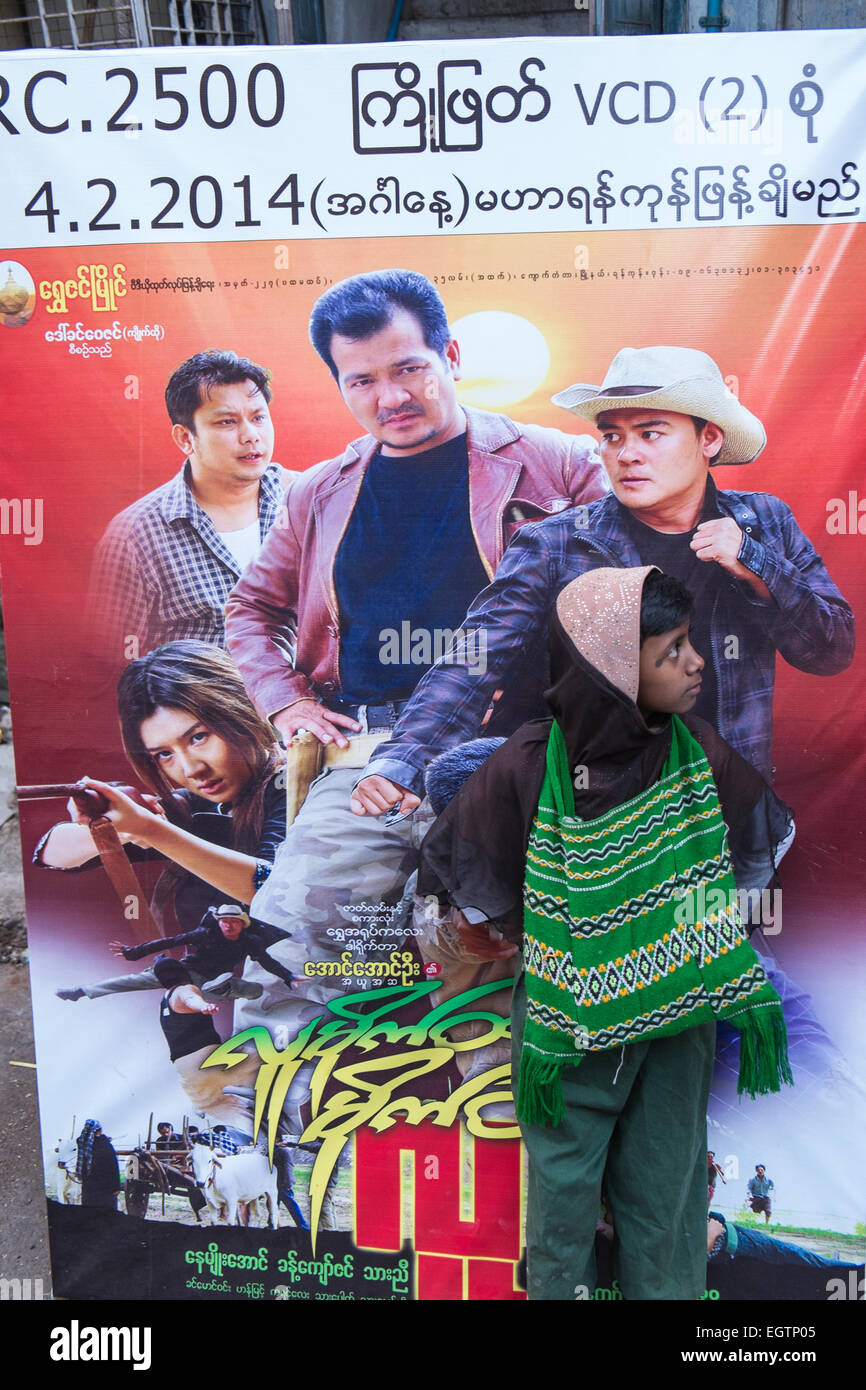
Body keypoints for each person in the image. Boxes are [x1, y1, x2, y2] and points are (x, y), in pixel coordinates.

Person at [223, 268, 602, 1033]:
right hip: (370, 756)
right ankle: (280, 1147)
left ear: (451, 355)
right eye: (360, 380)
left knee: (492, 994)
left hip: (518, 752)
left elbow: (636, 606)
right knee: (287, 962)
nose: (389, 397)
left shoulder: (558, 463)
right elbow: (249, 609)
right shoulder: (320, 491)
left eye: (408, 369)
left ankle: (501, 1134)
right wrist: (288, 702)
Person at [418, 566, 794, 1300]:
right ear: (610, 670)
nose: (694, 664)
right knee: (562, 1204)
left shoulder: (698, 750)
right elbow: (466, 890)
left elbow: (754, 857)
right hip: (567, 1025)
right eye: (669, 652)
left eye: (690, 643)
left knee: (670, 1199)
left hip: (676, 1020)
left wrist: (660, 939)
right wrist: (592, 939)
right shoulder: (528, 762)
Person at [358, 344, 854, 803]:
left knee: (724, 899)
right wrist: (402, 762)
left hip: (721, 801)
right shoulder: (556, 541)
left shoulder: (763, 523)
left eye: (650, 433)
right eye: (612, 436)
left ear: (710, 438)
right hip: (585, 811)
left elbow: (830, 651)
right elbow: (474, 658)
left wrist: (757, 565)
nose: (626, 454)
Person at [37, 641, 286, 938]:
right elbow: (52, 855)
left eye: (198, 737)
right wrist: (104, 824)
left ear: (241, 710)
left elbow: (274, 889)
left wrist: (150, 830)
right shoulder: (195, 805)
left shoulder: (303, 785)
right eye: (164, 754)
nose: (191, 769)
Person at [86, 350, 289, 656]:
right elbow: (107, 668)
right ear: (185, 438)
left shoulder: (308, 500)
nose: (251, 436)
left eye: (258, 418)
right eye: (227, 422)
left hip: (312, 700)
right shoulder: (133, 537)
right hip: (209, 702)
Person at [55, 903, 295, 1004]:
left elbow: (266, 960)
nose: (228, 926)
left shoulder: (249, 942)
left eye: (234, 922)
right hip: (183, 973)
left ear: (242, 924)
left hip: (213, 983)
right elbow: (170, 941)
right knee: (133, 980)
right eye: (224, 922)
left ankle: (251, 992)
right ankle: (82, 992)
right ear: (219, 923)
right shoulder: (204, 934)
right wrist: (134, 953)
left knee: (255, 990)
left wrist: (289, 977)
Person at [75, 1119, 121, 1211]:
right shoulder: (105, 1145)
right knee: (106, 1216)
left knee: (90, 1214)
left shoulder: (83, 1144)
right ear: (99, 1130)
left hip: (88, 1190)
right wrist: (116, 1187)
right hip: (105, 1190)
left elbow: (82, 1167)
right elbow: (113, 1167)